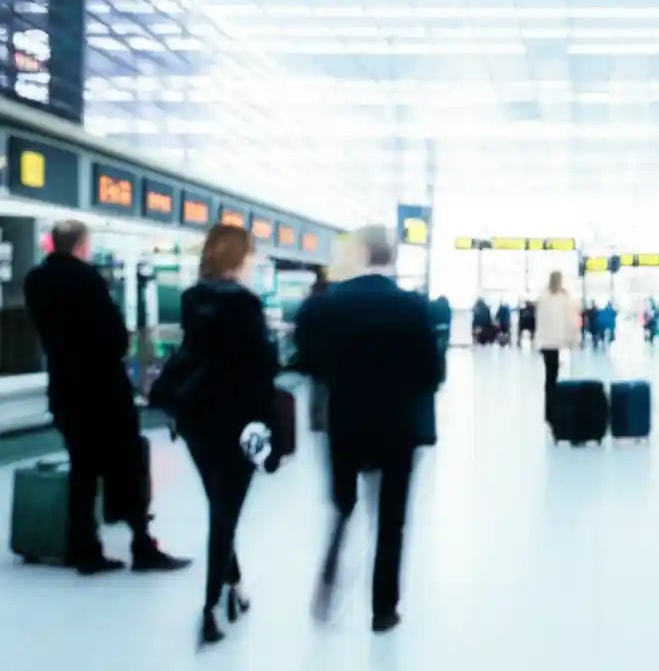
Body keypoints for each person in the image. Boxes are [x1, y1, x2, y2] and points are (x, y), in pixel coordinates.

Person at [23, 219, 190, 575]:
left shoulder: (35, 281)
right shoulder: (87, 279)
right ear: (81, 245)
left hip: (65, 390)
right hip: (102, 391)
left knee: (82, 471)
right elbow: (115, 337)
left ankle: (83, 549)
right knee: (127, 466)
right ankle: (142, 545)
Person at [294, 231, 441, 633]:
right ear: (391, 259)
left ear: (359, 256)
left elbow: (308, 361)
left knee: (343, 504)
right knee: (391, 520)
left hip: (346, 420)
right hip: (398, 425)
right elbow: (433, 371)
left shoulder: (332, 305)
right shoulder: (412, 306)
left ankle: (331, 568)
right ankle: (383, 610)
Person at [172, 224, 281, 645]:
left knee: (219, 507)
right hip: (238, 421)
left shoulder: (192, 299)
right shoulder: (247, 305)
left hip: (197, 418)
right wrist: (270, 430)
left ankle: (234, 587)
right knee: (224, 514)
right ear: (241, 257)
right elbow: (260, 372)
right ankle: (211, 605)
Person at [535, 272, 579, 422]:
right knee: (555, 377)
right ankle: (555, 410)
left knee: (549, 378)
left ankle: (548, 412)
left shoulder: (543, 297)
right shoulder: (564, 298)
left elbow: (540, 320)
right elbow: (571, 320)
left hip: (545, 343)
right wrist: (573, 340)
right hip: (559, 342)